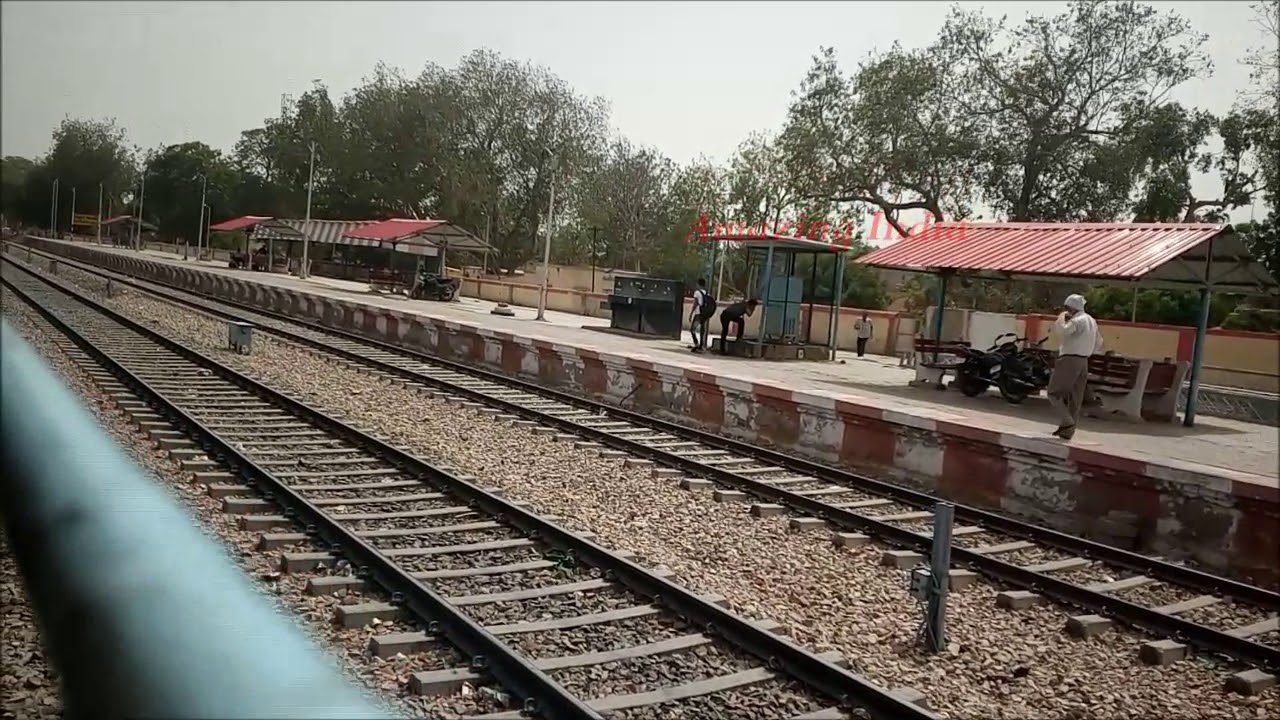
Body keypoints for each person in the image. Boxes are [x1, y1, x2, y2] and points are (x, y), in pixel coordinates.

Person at [1047, 293, 1102, 440]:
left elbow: (1062, 331)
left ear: (1071, 307)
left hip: (1070, 359)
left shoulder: (1078, 320)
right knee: (1075, 398)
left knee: (1053, 393)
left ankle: (1067, 421)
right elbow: (1099, 342)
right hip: (1084, 360)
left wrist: (1060, 318)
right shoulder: (1091, 321)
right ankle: (1068, 432)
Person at [689, 279, 716, 353]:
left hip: (698, 313)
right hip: (705, 313)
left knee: (692, 329)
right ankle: (702, 345)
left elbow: (695, 303)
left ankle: (696, 343)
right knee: (702, 330)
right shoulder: (707, 293)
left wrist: (691, 314)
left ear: (698, 284)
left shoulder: (697, 292)